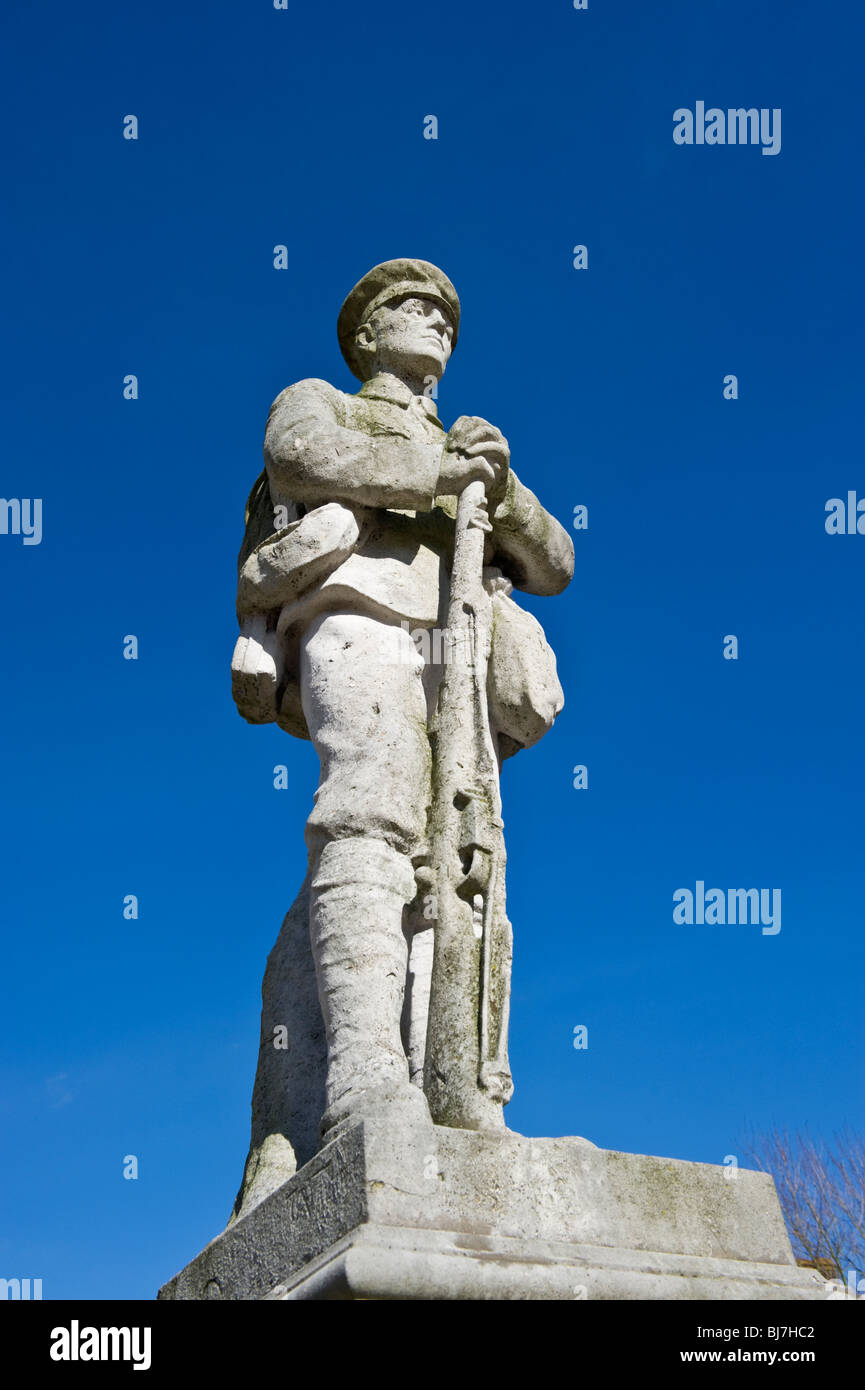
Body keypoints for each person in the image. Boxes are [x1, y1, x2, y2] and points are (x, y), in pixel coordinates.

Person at [232, 258, 573, 1158]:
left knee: (458, 860)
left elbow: (557, 561)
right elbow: (300, 455)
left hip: (457, 644)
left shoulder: (470, 447)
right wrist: (437, 471)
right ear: (367, 335)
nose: (437, 323)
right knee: (367, 812)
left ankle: (448, 1076)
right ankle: (361, 1075)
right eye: (413, 308)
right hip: (356, 615)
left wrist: (496, 491)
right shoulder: (322, 400)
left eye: (446, 316)